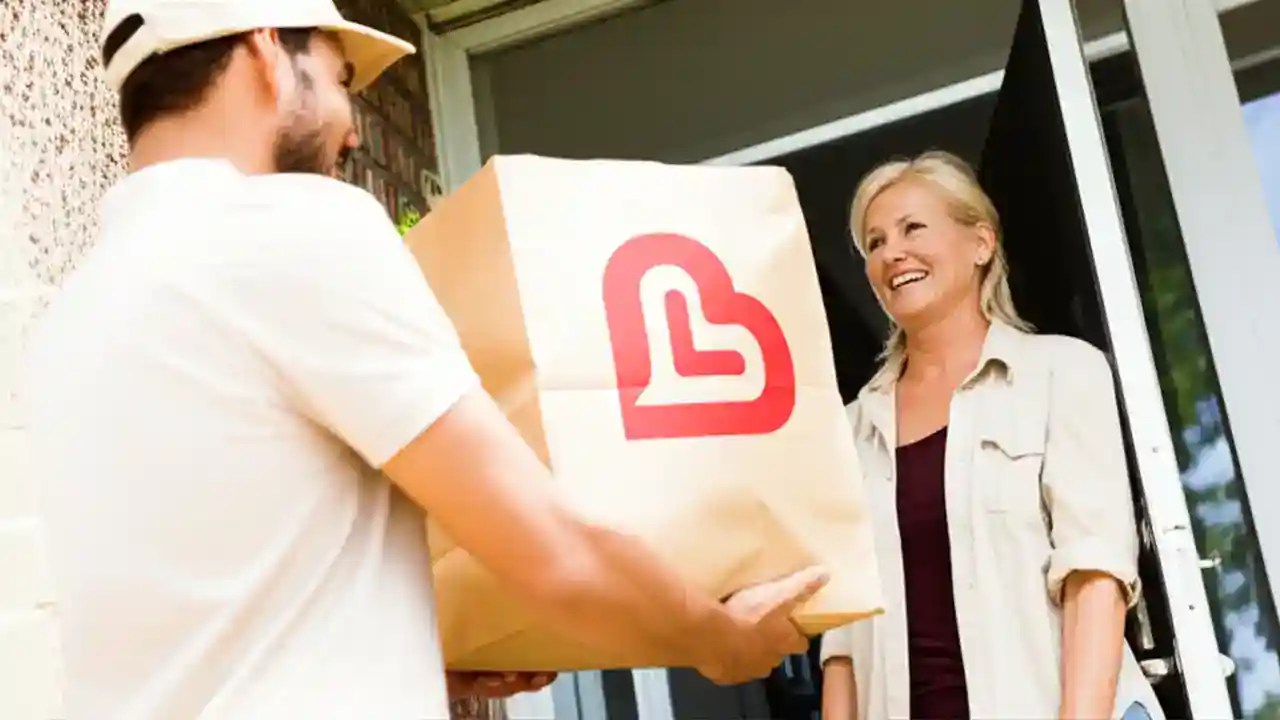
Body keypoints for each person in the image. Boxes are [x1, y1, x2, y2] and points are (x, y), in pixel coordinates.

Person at [23, 1, 827, 717]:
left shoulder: (75, 315)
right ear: (267, 50)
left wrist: (420, 651)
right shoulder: (291, 228)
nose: (352, 128)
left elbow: (219, 594)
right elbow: (557, 553)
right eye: (339, 80)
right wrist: (719, 642)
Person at [818, 151, 1163, 720]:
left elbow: (1095, 573)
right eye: (874, 243)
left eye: (912, 228)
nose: (891, 253)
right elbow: (843, 639)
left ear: (980, 243)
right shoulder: (850, 431)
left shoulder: (1061, 372)